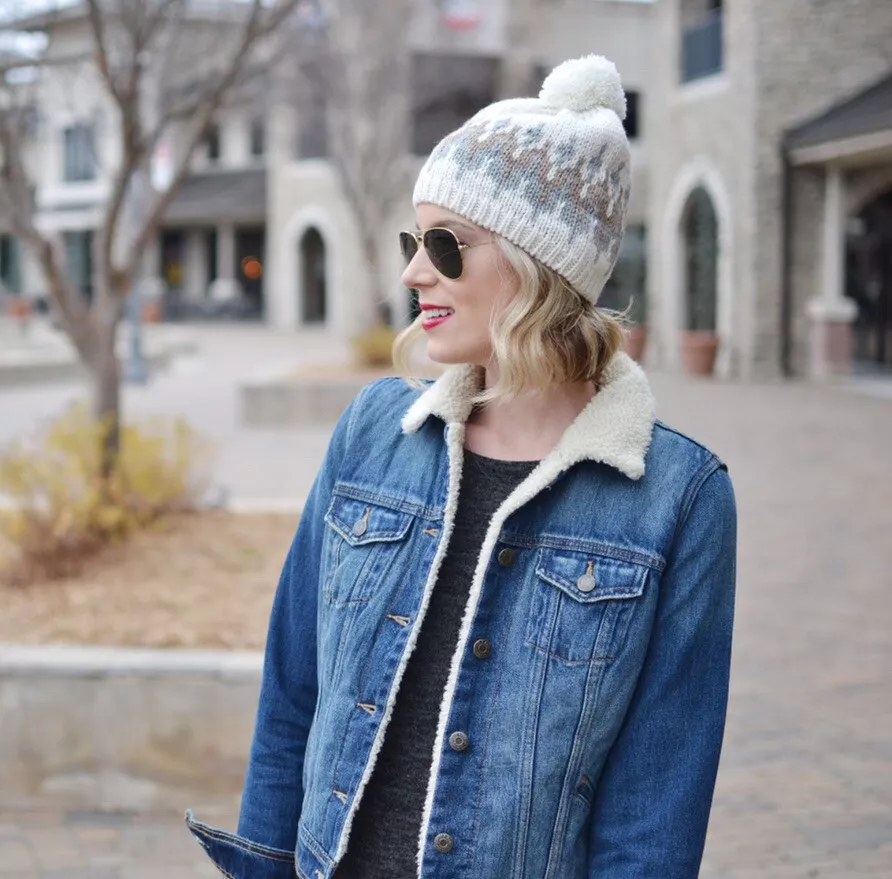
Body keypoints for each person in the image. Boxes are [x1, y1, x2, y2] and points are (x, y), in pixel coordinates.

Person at [186, 54, 737, 879]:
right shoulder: (372, 434)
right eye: (416, 239)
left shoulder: (678, 500)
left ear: (537, 264)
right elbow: (293, 699)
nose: (414, 271)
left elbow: (652, 815)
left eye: (446, 244)